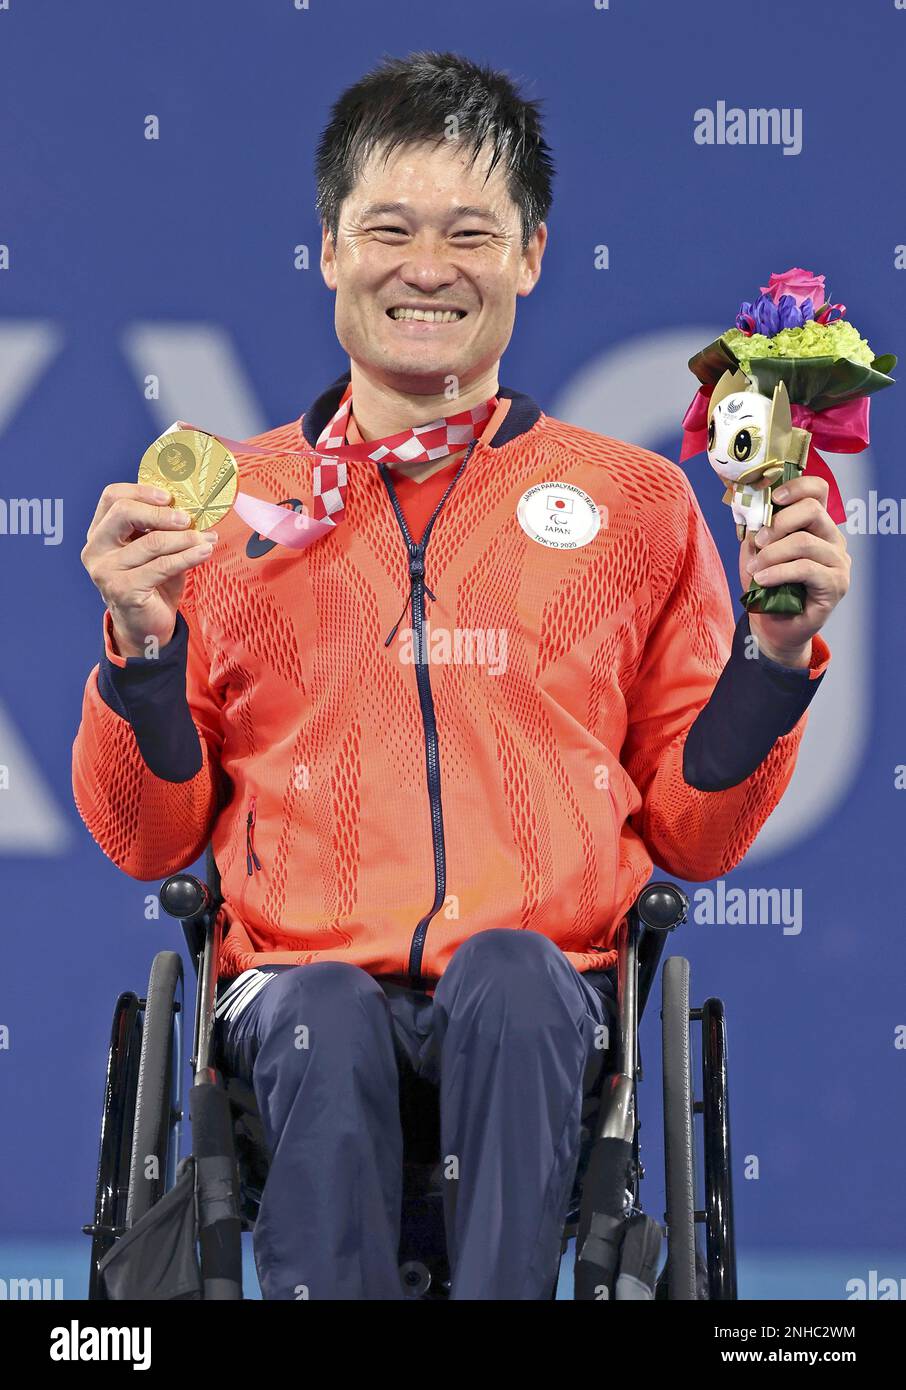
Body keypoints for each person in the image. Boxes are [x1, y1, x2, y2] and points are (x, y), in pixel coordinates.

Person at [73, 51, 849, 1300]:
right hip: (293, 995)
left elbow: (694, 838)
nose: (426, 267)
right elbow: (140, 832)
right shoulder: (224, 509)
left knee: (511, 977)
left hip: (548, 992)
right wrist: (146, 653)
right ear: (329, 248)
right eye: (389, 228)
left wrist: (770, 657)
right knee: (321, 1012)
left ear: (531, 255)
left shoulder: (637, 504)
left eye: (470, 233)